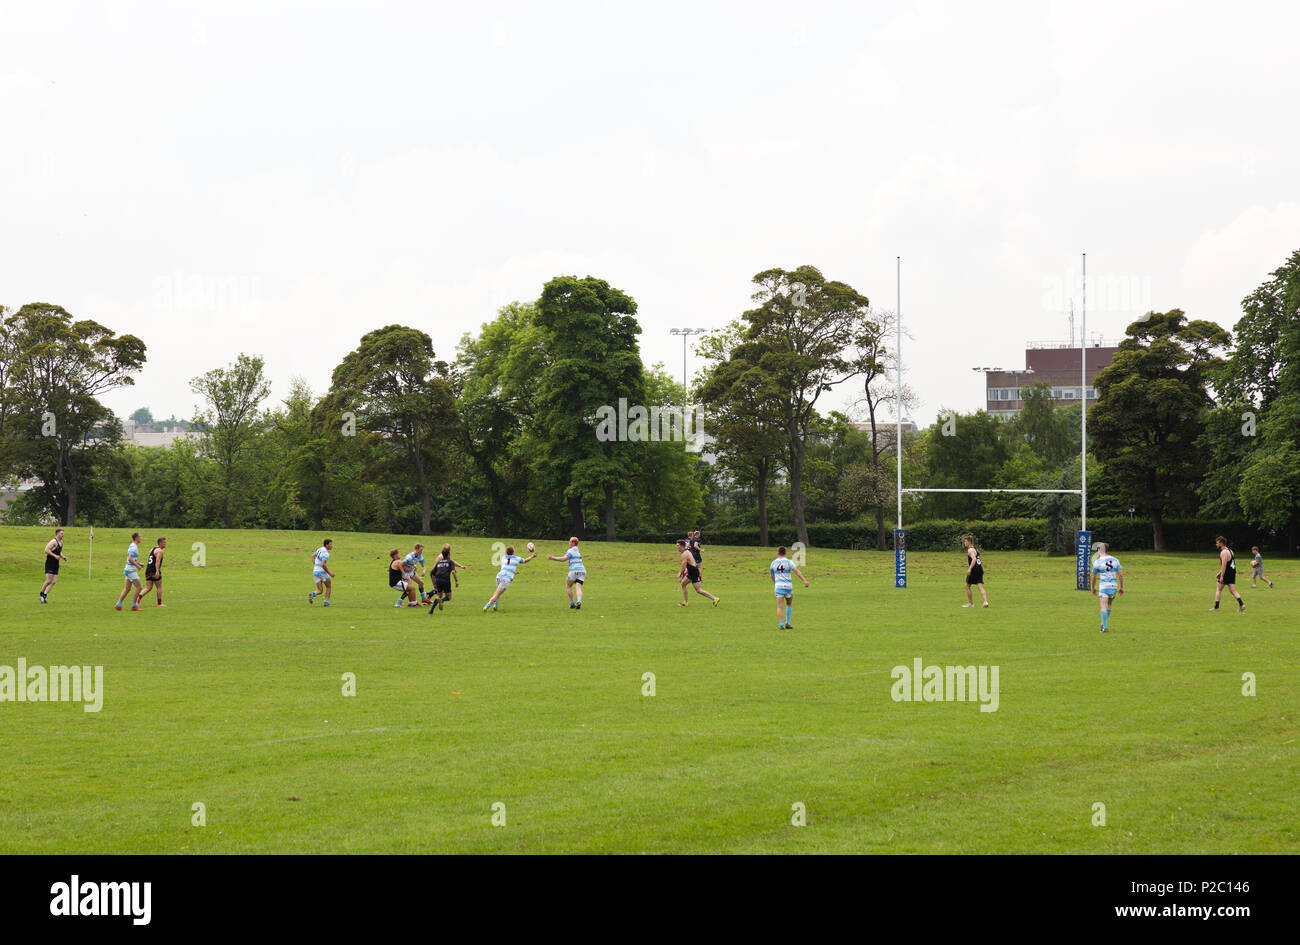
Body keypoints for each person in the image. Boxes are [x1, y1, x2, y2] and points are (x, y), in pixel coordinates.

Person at [485, 545, 536, 611]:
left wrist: (513, 572)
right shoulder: (517, 558)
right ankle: (487, 606)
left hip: (499, 576)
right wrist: (533, 556)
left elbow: (507, 567)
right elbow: (525, 561)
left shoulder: (503, 558)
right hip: (506, 579)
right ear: (513, 552)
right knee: (497, 594)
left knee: (497, 592)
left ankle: (495, 605)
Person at [769, 545, 808, 629]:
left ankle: (781, 625)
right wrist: (804, 581)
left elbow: (771, 576)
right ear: (785, 553)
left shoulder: (773, 563)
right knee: (789, 604)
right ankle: (788, 623)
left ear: (778, 553)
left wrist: (776, 583)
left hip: (778, 587)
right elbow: (796, 571)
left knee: (779, 607)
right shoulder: (789, 562)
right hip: (788, 587)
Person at [1090, 542, 1123, 633]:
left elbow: (1093, 577)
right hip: (1113, 586)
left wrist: (1093, 588)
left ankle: (1104, 627)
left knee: (1103, 606)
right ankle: (1103, 624)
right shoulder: (1115, 560)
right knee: (1109, 605)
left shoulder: (1097, 561)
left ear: (1100, 550)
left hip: (1104, 587)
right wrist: (1121, 587)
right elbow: (1120, 574)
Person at [547, 537, 587, 609]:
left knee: (568, 586)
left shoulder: (571, 550)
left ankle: (572, 603)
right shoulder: (577, 550)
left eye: (569, 542)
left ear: (573, 543)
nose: (569, 543)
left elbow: (563, 559)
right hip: (582, 571)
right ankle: (579, 601)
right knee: (578, 587)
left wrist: (552, 558)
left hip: (574, 570)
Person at [677, 539, 720, 608]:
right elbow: (692, 562)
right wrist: (687, 571)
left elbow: (684, 565)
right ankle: (685, 602)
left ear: (682, 546)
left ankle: (715, 598)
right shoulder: (687, 552)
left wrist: (680, 573)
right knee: (683, 584)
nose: (677, 547)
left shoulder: (684, 554)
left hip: (693, 572)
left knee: (698, 590)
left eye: (678, 545)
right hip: (691, 571)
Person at [428, 544, 469, 613]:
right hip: (445, 580)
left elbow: (433, 573)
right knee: (448, 597)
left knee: (439, 595)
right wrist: (456, 581)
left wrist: (434, 583)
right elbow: (453, 572)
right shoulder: (450, 561)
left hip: (438, 579)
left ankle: (431, 610)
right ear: (449, 554)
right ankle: (442, 601)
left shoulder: (439, 562)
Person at [1213, 536, 1245, 612]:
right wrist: (1220, 572)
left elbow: (1224, 565)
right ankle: (1242, 605)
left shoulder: (1223, 552)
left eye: (1217, 543)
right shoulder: (1230, 551)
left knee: (1218, 589)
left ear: (1221, 543)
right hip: (1232, 573)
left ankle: (1216, 607)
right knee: (1233, 590)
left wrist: (1222, 576)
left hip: (1226, 574)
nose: (1216, 544)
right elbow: (1230, 564)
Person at [115, 532, 144, 611]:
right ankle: (134, 606)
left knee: (127, 589)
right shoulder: (134, 547)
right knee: (139, 587)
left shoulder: (132, 545)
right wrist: (137, 566)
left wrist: (139, 563)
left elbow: (132, 558)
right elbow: (130, 559)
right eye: (140, 536)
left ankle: (118, 605)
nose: (141, 538)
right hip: (131, 570)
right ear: (136, 538)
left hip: (128, 569)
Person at [136, 537, 167, 607]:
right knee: (159, 587)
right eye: (164, 543)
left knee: (148, 587)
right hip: (154, 571)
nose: (165, 544)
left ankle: (137, 599)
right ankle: (159, 603)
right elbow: (157, 561)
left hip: (148, 570)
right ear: (160, 543)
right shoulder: (160, 551)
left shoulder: (152, 549)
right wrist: (157, 571)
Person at [40, 528, 68, 604]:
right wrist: (55, 556)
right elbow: (46, 550)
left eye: (63, 533)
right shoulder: (53, 541)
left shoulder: (61, 542)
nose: (63, 535)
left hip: (56, 564)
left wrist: (63, 557)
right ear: (57, 534)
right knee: (49, 580)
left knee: (54, 582)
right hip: (50, 563)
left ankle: (45, 595)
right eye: (62, 533)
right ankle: (41, 593)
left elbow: (59, 551)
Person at [961, 535, 988, 608]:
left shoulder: (970, 550)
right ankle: (985, 602)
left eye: (965, 541)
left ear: (969, 542)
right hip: (980, 569)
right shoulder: (975, 549)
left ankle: (971, 604)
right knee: (980, 586)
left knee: (967, 586)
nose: (964, 543)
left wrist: (969, 568)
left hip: (974, 570)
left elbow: (974, 559)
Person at [309, 539, 334, 606]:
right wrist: (330, 573)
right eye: (331, 544)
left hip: (315, 571)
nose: (332, 546)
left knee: (320, 590)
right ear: (327, 545)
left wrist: (316, 565)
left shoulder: (320, 549)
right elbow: (323, 564)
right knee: (328, 587)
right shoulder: (326, 553)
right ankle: (326, 603)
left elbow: (313, 556)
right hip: (322, 572)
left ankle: (312, 594)